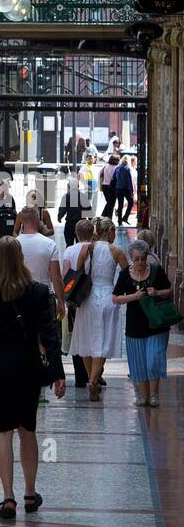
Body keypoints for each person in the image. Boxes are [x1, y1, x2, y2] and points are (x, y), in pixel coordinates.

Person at [0, 236, 66, 521]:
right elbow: (49, 336)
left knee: (2, 432)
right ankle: (30, 492)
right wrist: (58, 373)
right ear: (20, 259)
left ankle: (8, 498)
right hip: (28, 371)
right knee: (27, 429)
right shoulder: (39, 292)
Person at [70, 218, 128, 400]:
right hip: (107, 297)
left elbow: (78, 270)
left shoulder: (88, 249)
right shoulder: (116, 251)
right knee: (103, 340)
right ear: (110, 230)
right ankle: (94, 380)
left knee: (87, 341)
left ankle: (91, 378)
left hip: (88, 297)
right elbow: (127, 276)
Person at [113, 240, 175, 407]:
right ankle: (143, 396)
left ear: (147, 257)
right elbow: (116, 298)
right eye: (137, 259)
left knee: (153, 359)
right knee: (139, 362)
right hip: (135, 325)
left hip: (157, 325)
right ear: (132, 259)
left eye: (143, 258)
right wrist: (134, 296)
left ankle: (154, 395)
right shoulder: (125, 274)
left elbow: (169, 290)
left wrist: (157, 292)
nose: (140, 262)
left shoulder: (156, 272)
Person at [15, 204, 65, 321]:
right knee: (46, 335)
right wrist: (61, 302)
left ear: (21, 221)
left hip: (19, 295)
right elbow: (56, 277)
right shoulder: (49, 244)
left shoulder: (14, 243)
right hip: (44, 294)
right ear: (37, 219)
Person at [61, 219, 95, 388]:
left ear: (76, 233)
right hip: (93, 295)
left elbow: (65, 275)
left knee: (76, 334)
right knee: (94, 334)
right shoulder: (96, 249)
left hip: (76, 298)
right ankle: (95, 374)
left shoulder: (69, 250)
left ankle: (81, 376)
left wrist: (65, 299)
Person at [55, 176, 93, 247]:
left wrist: (59, 217)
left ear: (69, 186)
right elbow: (88, 210)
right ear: (78, 186)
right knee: (81, 245)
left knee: (69, 244)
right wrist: (91, 221)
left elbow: (62, 209)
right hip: (82, 225)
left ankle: (70, 256)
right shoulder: (83, 196)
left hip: (70, 224)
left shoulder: (66, 196)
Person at [113, 156, 136, 224]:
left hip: (118, 188)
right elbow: (130, 181)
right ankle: (125, 217)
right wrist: (132, 191)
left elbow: (114, 178)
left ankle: (120, 221)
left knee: (120, 205)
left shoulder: (117, 168)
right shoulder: (128, 168)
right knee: (131, 202)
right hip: (126, 189)